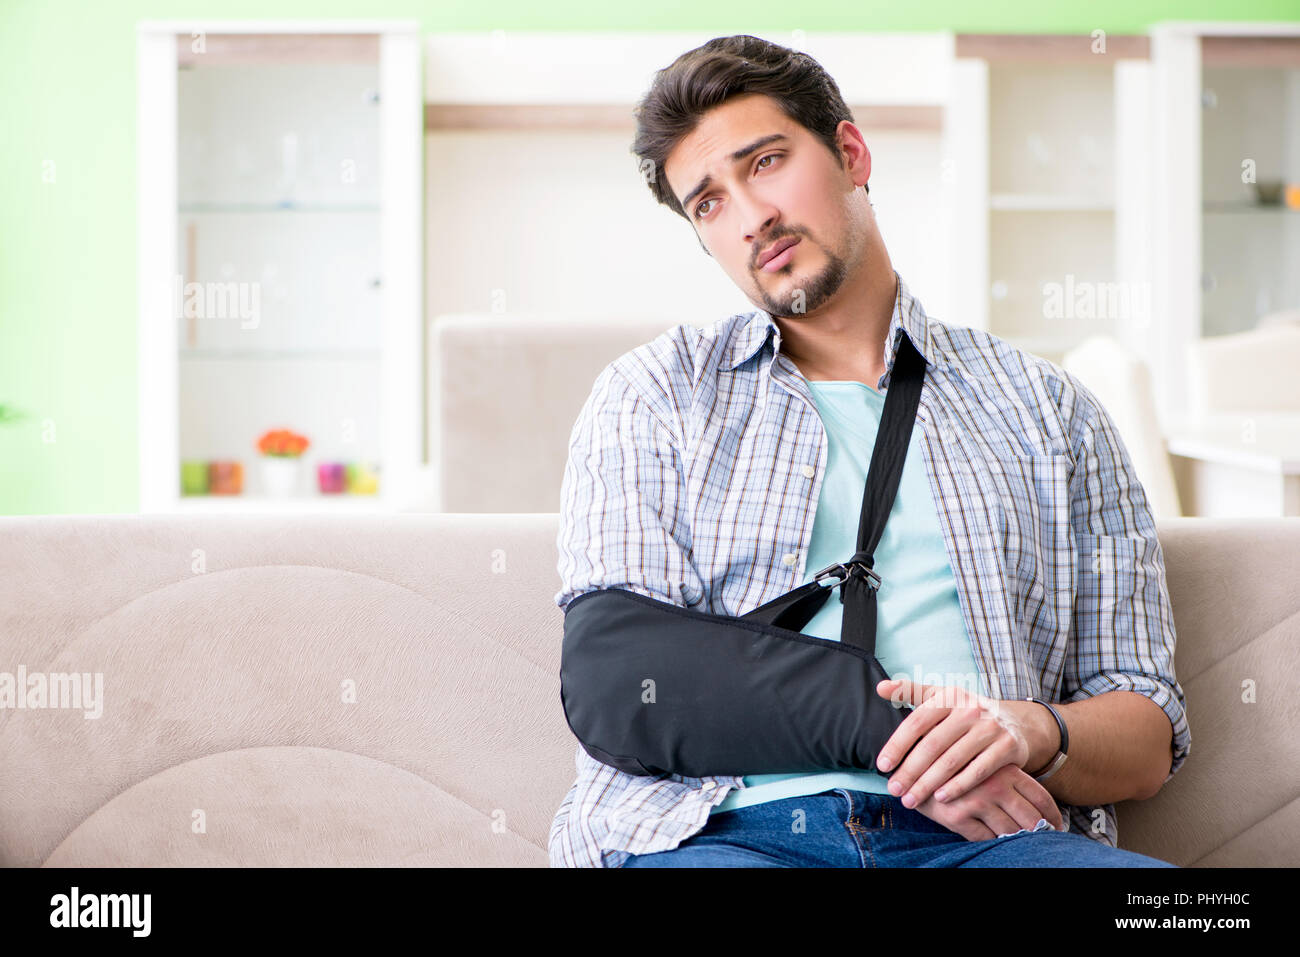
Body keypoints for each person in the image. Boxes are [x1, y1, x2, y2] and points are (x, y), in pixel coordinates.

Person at [548, 35, 1189, 868]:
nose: (751, 216)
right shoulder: (654, 395)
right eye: (707, 202)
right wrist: (887, 727)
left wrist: (1028, 729)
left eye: (767, 161)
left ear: (850, 152)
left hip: (994, 843)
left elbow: (1146, 735)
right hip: (723, 835)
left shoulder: (1050, 410)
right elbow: (617, 679)